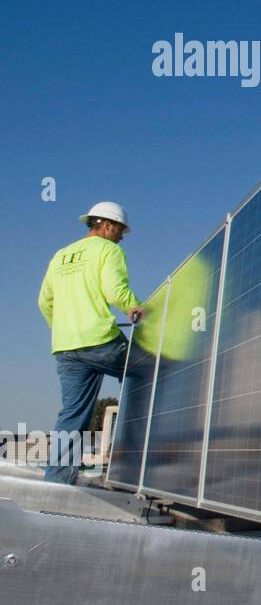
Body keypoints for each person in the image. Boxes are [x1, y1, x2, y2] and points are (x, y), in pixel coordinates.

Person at [37, 201, 145, 484]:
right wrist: (134, 306)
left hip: (65, 347)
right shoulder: (110, 250)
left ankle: (57, 482)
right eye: (120, 230)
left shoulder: (60, 255)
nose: (122, 236)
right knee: (149, 372)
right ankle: (136, 458)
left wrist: (64, 328)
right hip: (100, 341)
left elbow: (44, 301)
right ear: (108, 226)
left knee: (72, 415)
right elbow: (114, 290)